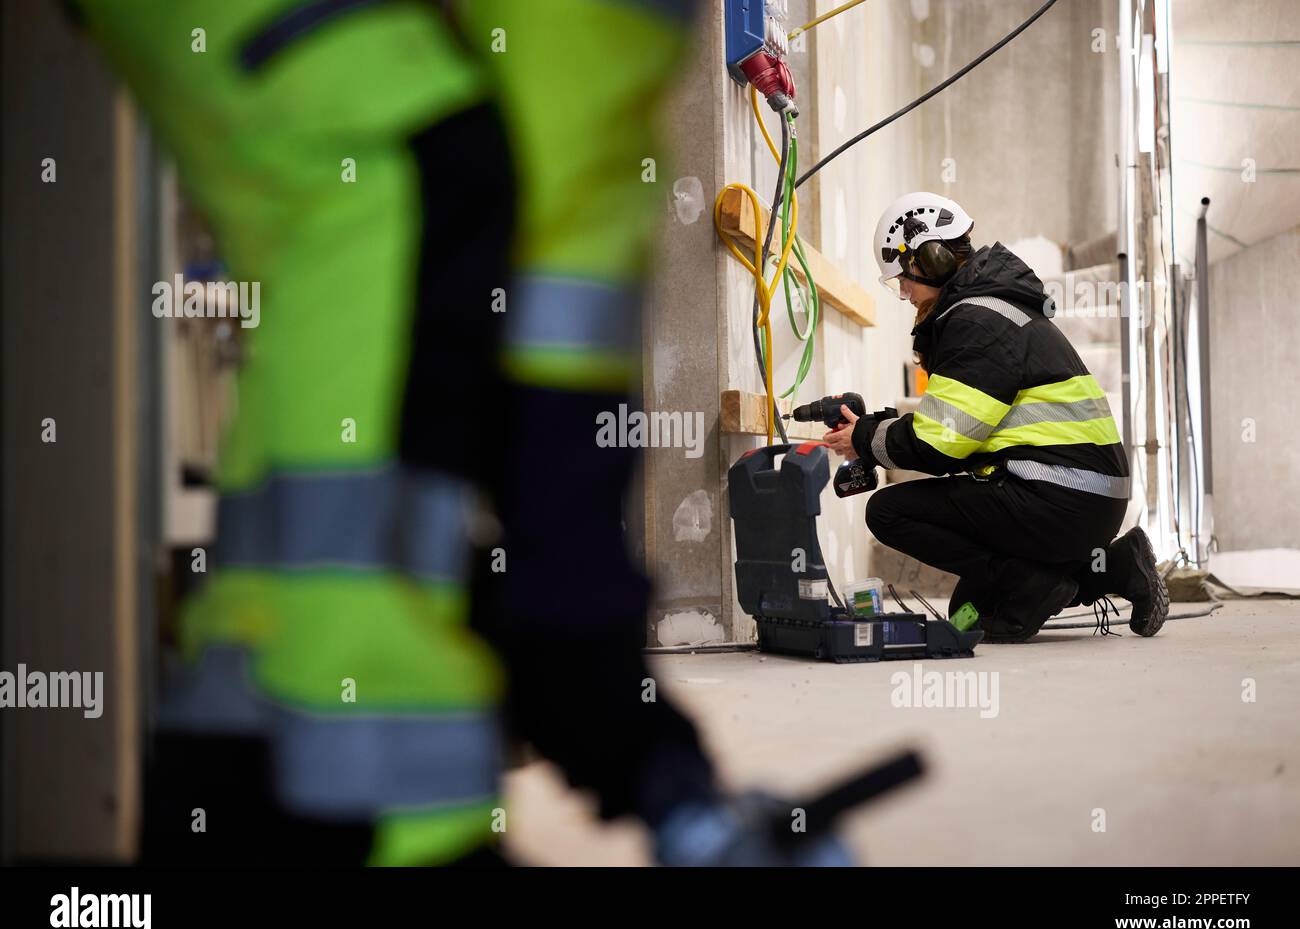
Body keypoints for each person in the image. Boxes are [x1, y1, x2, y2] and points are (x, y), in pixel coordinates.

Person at [73, 0, 850, 866]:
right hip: (320, 779)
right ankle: (303, 771)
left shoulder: (579, 117)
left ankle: (287, 762)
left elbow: (555, 517)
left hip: (313, 764)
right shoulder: (454, 147)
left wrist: (661, 774)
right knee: (408, 183)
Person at [822, 192, 1168, 642]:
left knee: (888, 512)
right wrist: (881, 428)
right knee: (970, 610)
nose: (903, 292)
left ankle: (1035, 582)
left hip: (1059, 494)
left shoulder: (976, 321)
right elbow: (969, 424)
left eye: (903, 279)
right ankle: (1121, 567)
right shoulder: (994, 310)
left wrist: (865, 439)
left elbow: (940, 442)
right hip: (1079, 494)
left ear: (933, 259)